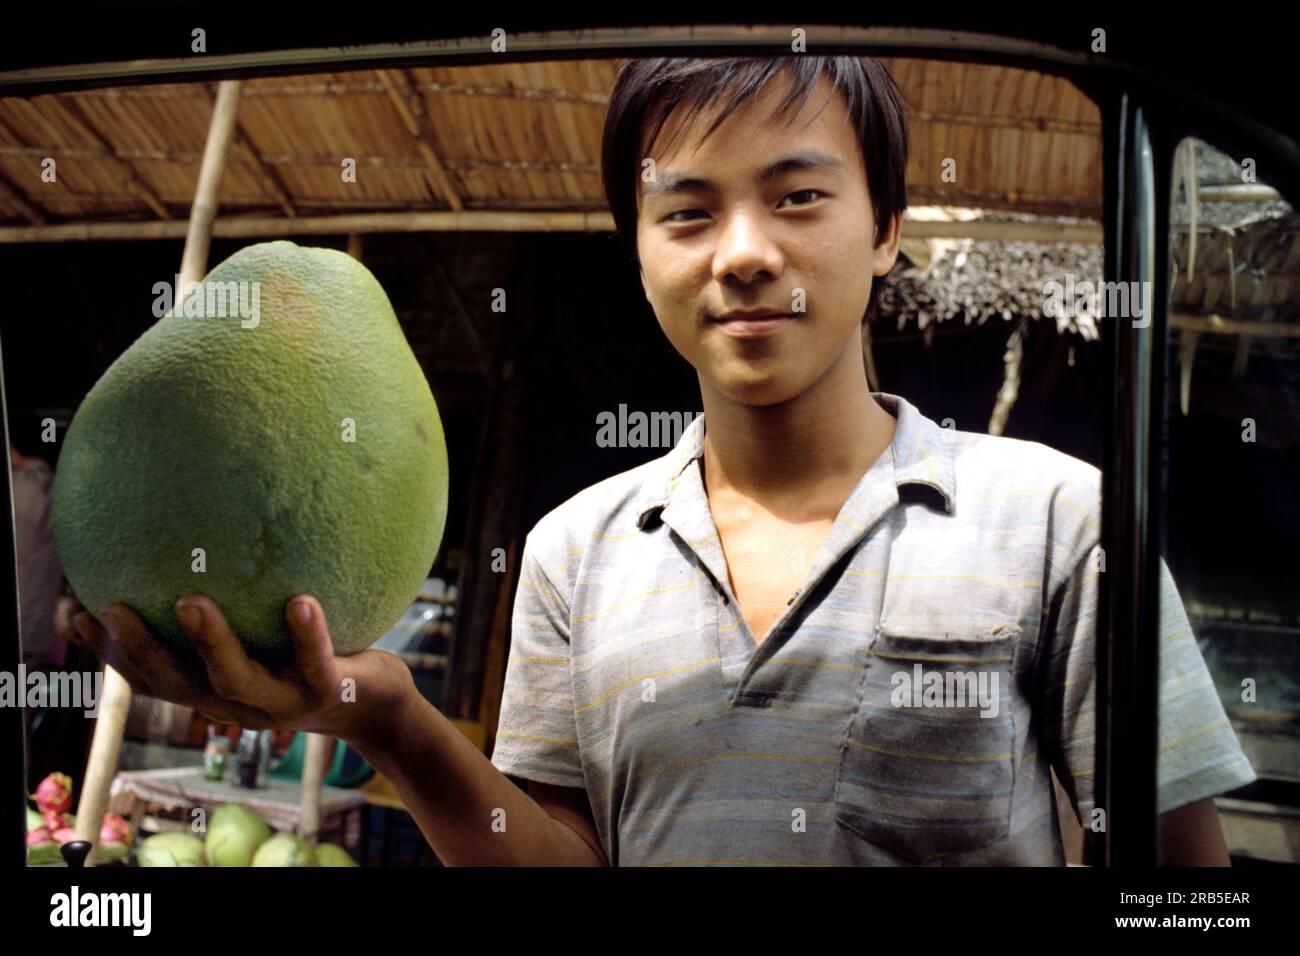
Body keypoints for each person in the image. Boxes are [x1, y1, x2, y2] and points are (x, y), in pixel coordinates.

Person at [60, 56, 1255, 866]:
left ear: (886, 225)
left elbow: (1180, 883)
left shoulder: (1061, 519)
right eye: (686, 212)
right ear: (638, 248)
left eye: (796, 196)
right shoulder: (575, 548)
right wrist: (386, 716)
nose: (740, 252)